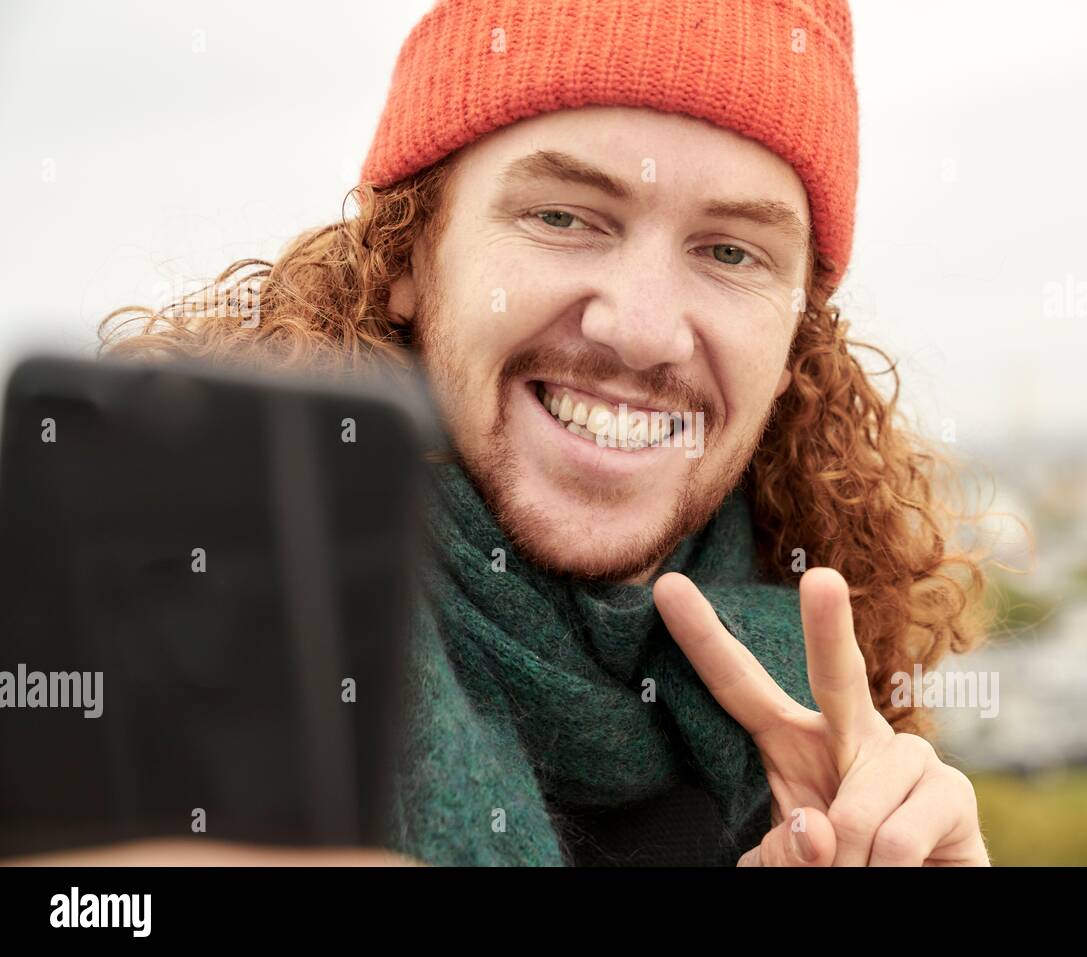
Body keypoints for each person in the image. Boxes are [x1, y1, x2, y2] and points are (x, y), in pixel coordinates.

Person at [99, 0, 993, 867]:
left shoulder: (830, 755)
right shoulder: (145, 676)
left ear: (795, 338)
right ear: (407, 255)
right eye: (563, 217)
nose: (642, 328)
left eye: (731, 252)